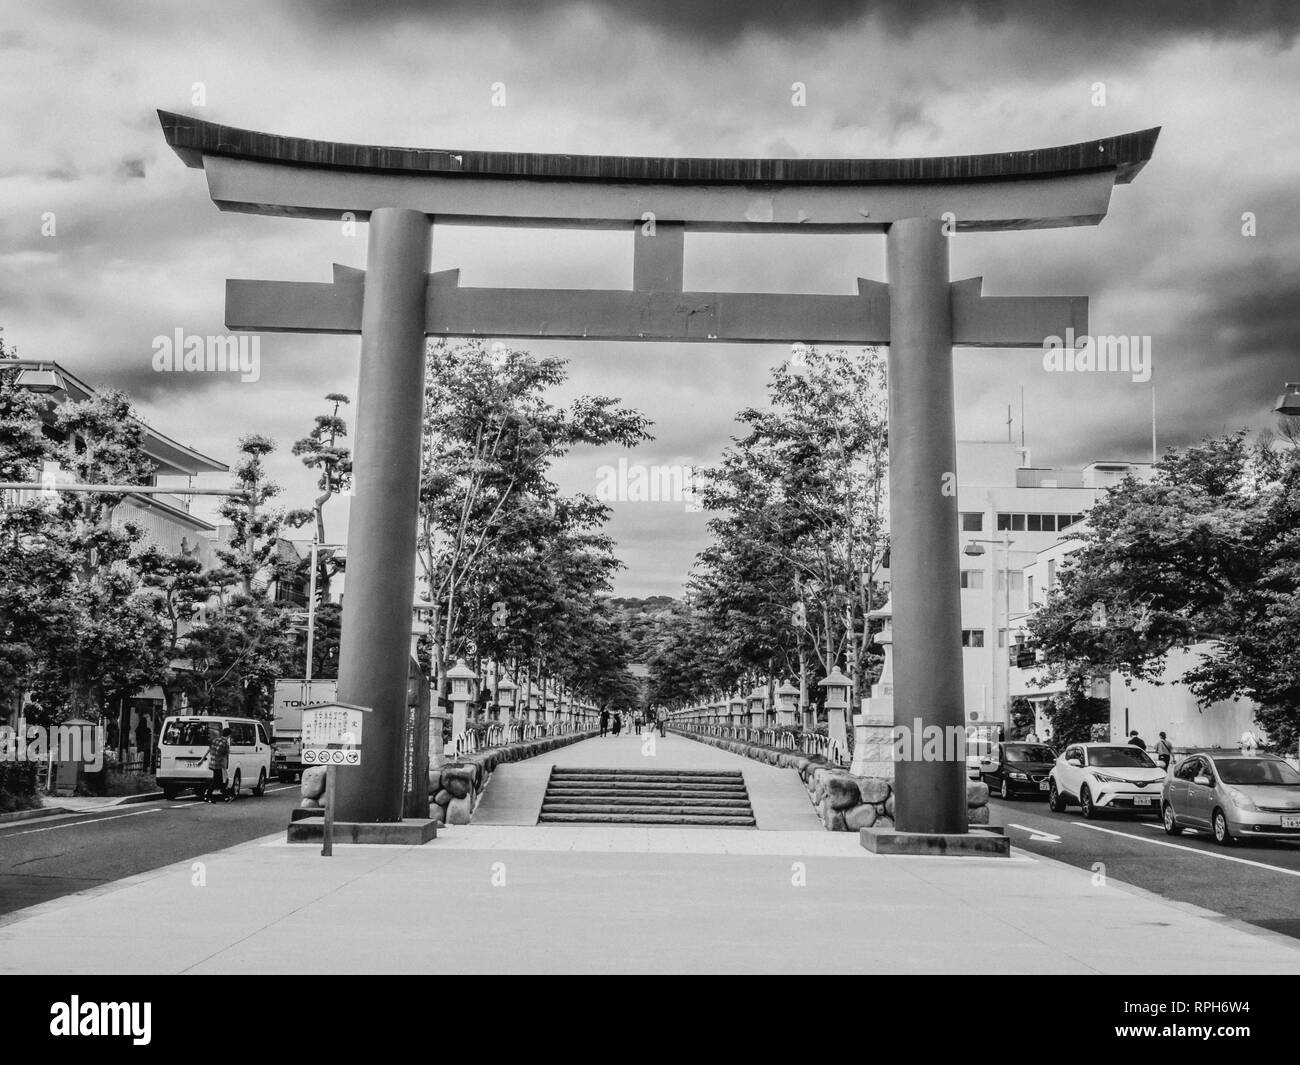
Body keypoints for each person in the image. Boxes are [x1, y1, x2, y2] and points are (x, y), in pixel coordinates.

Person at [203, 726, 232, 803]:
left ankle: (225, 796)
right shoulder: (226, 744)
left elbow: (210, 749)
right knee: (218, 781)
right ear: (229, 736)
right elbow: (224, 757)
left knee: (218, 780)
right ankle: (208, 796)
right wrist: (225, 768)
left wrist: (202, 759)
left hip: (212, 763)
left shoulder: (215, 740)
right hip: (219, 764)